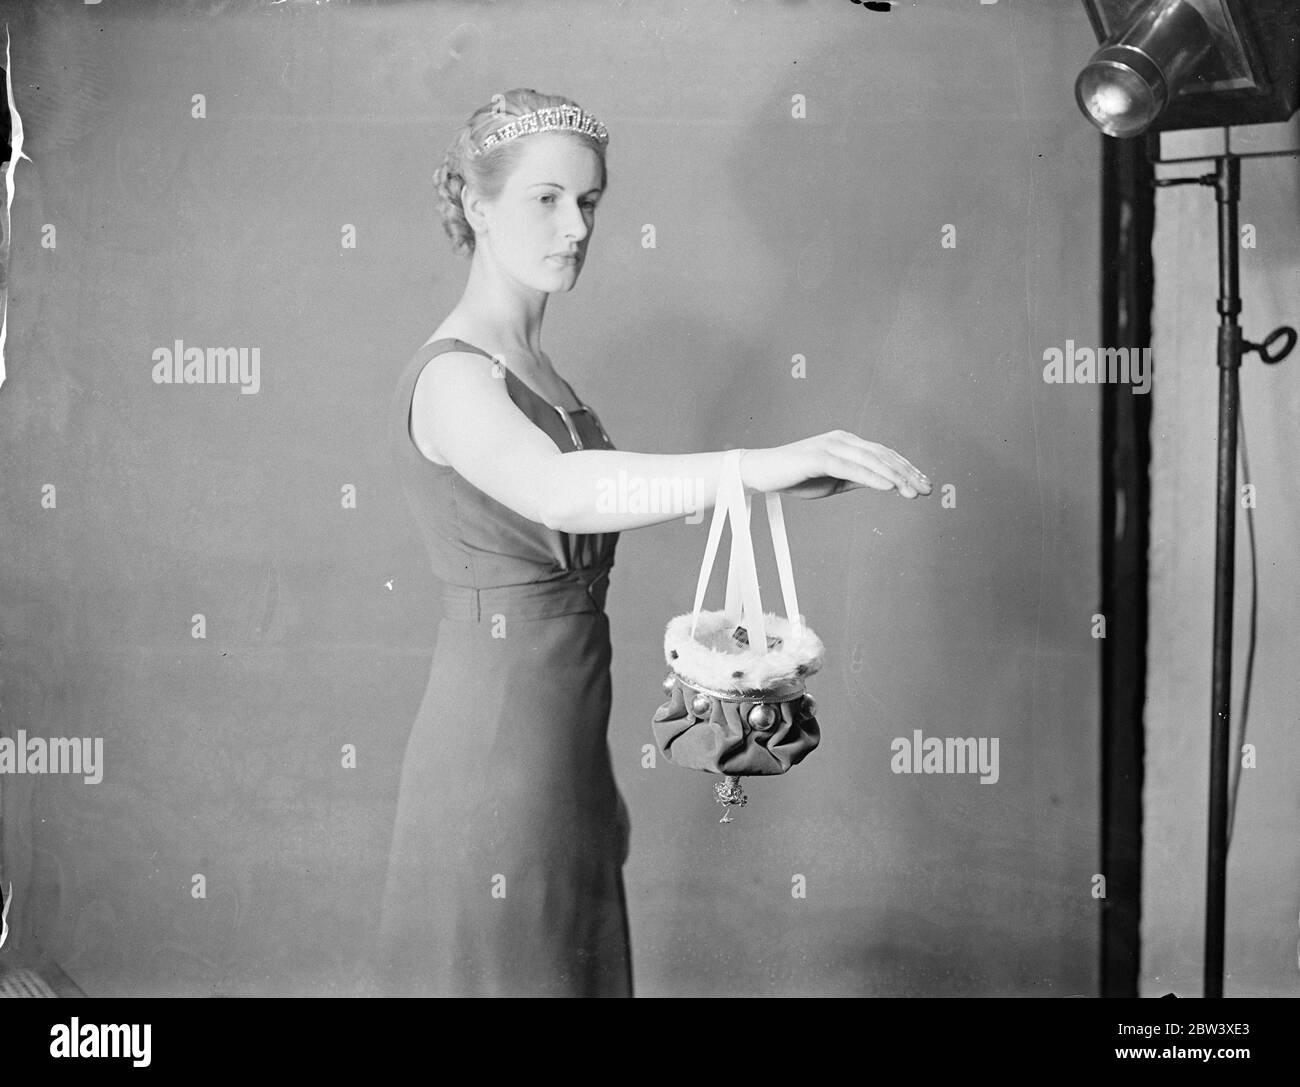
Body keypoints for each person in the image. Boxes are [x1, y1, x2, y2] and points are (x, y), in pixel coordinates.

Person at [373, 88, 931, 998]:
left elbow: (597, 500)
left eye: (588, 201)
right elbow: (563, 490)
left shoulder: (537, 370)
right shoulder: (453, 375)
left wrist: (774, 485)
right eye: (545, 199)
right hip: (496, 745)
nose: (576, 226)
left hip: (562, 739)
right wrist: (747, 465)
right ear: (476, 205)